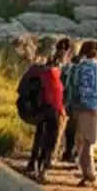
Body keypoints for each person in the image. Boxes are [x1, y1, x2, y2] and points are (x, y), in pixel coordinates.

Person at [19, 45, 66, 183]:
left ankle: (32, 164)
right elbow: (57, 95)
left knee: (39, 136)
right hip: (52, 109)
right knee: (50, 140)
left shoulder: (34, 70)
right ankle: (42, 170)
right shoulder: (54, 72)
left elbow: (21, 89)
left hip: (38, 108)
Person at [70, 40, 97, 187]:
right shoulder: (96, 66)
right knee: (90, 142)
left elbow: (73, 85)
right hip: (93, 106)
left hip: (79, 106)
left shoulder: (78, 67)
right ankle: (90, 174)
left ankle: (85, 171)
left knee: (81, 140)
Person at [59, 43, 83, 164]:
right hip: (77, 101)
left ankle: (67, 151)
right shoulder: (81, 68)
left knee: (69, 128)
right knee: (77, 129)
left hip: (67, 100)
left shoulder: (66, 67)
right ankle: (73, 153)